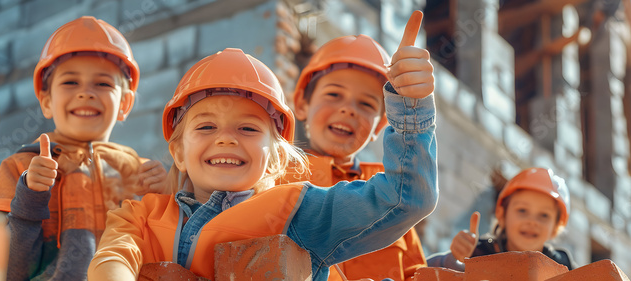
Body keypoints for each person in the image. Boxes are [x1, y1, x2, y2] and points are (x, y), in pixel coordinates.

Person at [88, 11, 438, 281]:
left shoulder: (298, 211)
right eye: (207, 126)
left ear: (276, 160)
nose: (226, 138)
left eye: (248, 128)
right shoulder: (139, 216)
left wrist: (410, 107)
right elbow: (113, 257)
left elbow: (407, 198)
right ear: (178, 152)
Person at [0, 16, 169, 280]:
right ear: (46, 101)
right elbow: (2, 267)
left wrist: (165, 197)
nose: (85, 93)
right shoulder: (22, 167)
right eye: (70, 82)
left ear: (125, 104)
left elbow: (167, 252)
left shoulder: (139, 173)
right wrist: (30, 197)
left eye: (102, 83)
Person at [281, 34, 428, 281]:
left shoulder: (393, 192)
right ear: (302, 104)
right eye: (334, 95)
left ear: (379, 126)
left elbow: (415, 273)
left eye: (366, 104)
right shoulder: (276, 178)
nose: (348, 109)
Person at [426, 168, 576, 271]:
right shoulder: (478, 253)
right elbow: (423, 271)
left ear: (556, 227)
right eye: (522, 210)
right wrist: (454, 259)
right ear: (502, 215)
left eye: (544, 215)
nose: (532, 221)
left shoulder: (563, 267)